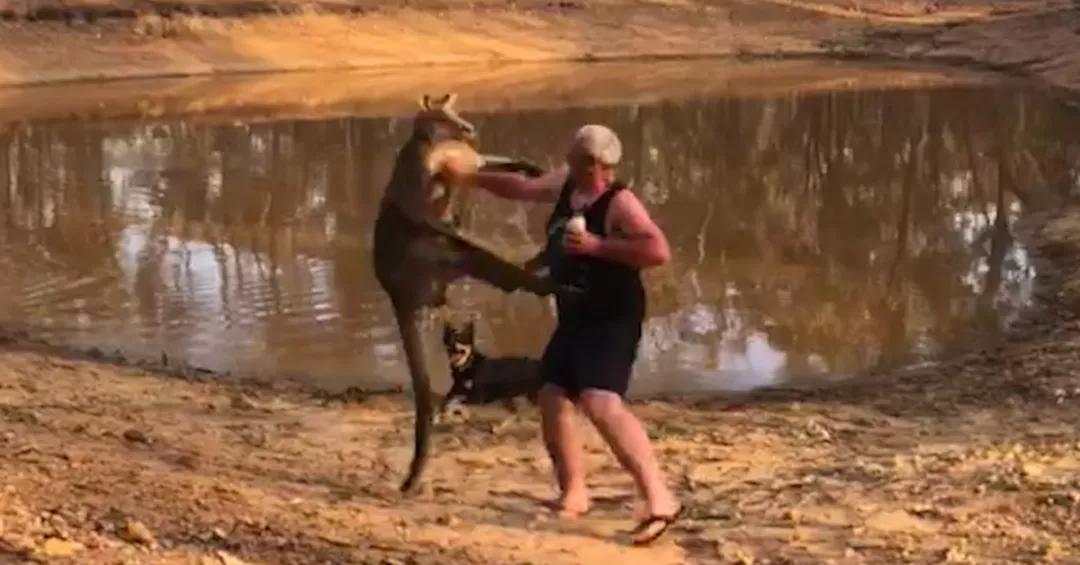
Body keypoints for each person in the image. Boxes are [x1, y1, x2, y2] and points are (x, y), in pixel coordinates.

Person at [443, 124, 683, 545]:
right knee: (553, 394)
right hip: (575, 312)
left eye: (575, 159)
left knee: (601, 402)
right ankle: (574, 493)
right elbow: (520, 187)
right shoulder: (568, 183)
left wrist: (596, 247)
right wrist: (464, 177)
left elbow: (657, 251)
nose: (566, 165)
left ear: (595, 164)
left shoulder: (620, 203)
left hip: (612, 316)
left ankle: (660, 499)